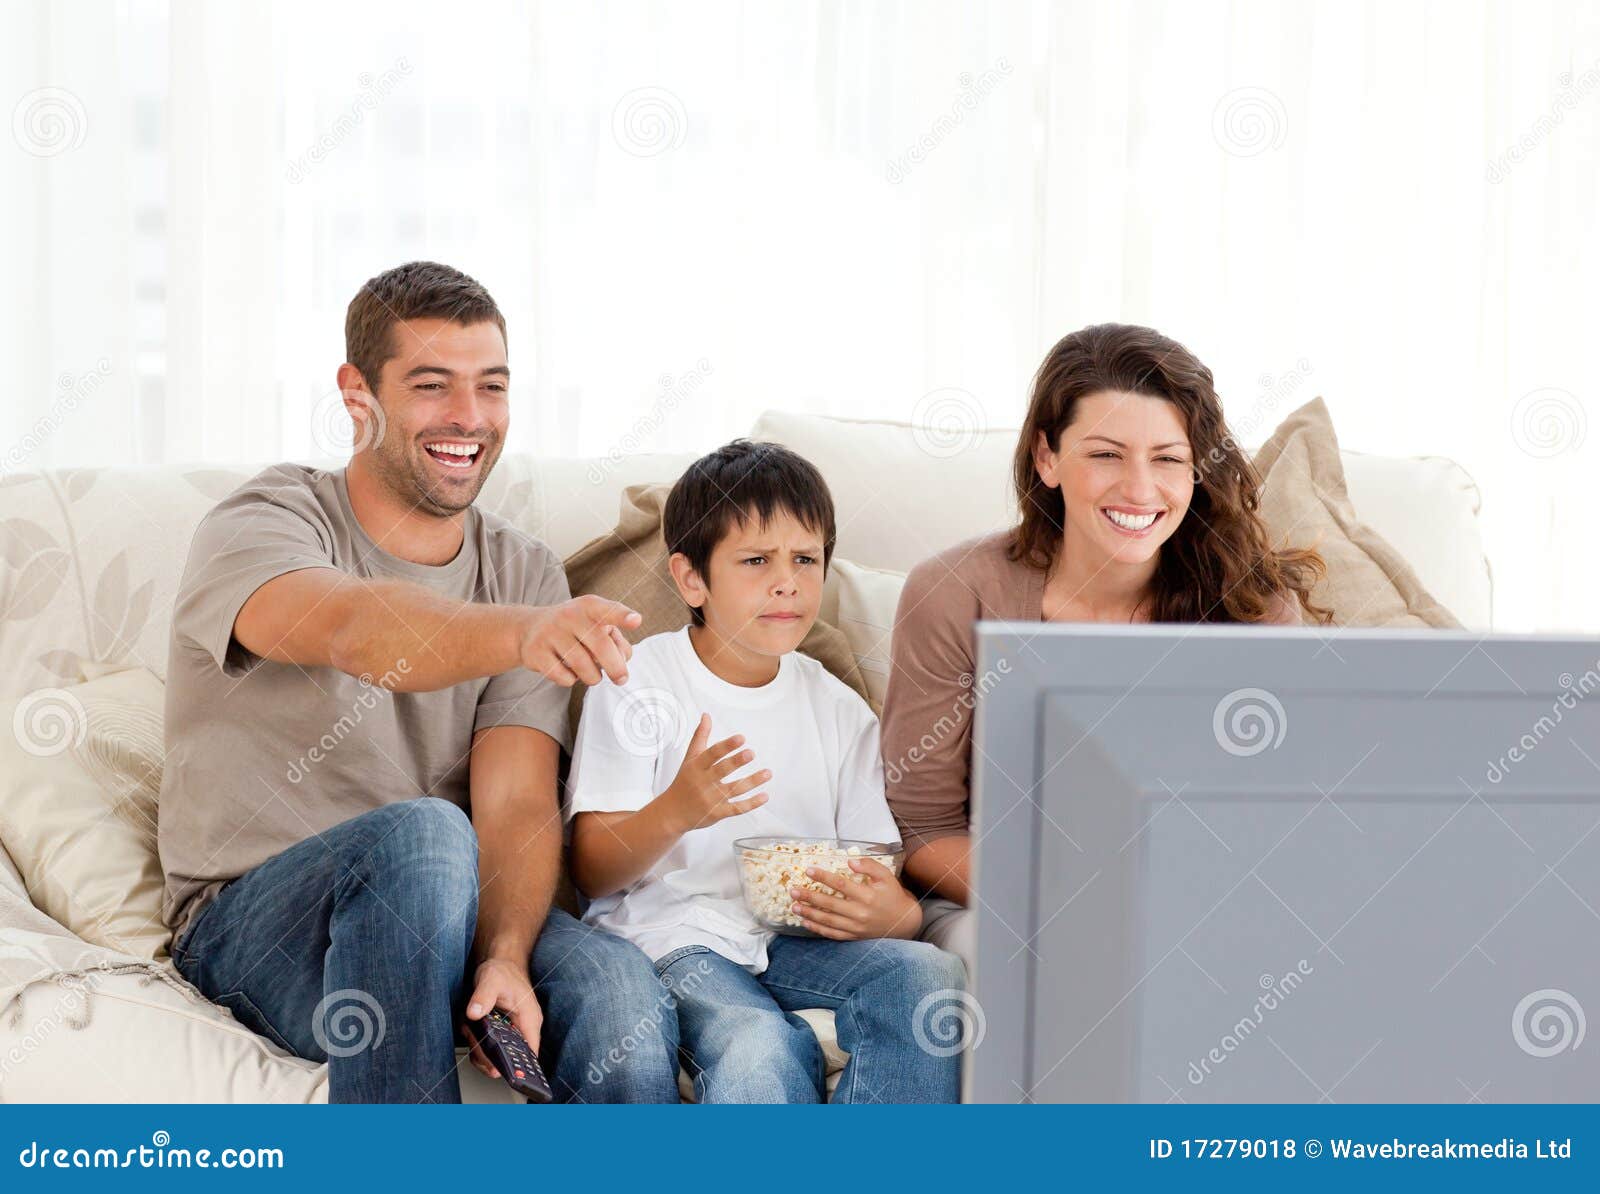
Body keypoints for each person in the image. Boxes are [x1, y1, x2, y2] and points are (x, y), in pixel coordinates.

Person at [159, 261, 682, 1103]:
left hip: (450, 914)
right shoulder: (265, 521)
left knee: (620, 992)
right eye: (433, 385)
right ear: (358, 395)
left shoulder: (523, 570)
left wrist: (505, 956)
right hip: (256, 923)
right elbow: (354, 630)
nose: (469, 417)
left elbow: (514, 802)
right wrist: (521, 633)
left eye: (492, 386)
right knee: (428, 834)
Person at [882, 322, 1332, 958]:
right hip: (1003, 897)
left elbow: (1277, 814)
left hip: (1195, 894)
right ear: (1047, 457)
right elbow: (924, 826)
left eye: (1167, 459)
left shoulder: (1252, 608)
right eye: (1105, 454)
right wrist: (1073, 895)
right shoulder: (951, 592)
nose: (1140, 489)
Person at [565, 440, 967, 1103]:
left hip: (796, 939)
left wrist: (895, 916)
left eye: (805, 559)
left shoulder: (840, 709)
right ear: (692, 579)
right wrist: (678, 809)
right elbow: (591, 871)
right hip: (678, 938)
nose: (788, 582)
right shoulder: (638, 682)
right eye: (756, 561)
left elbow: (880, 877)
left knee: (927, 975)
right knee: (758, 1041)